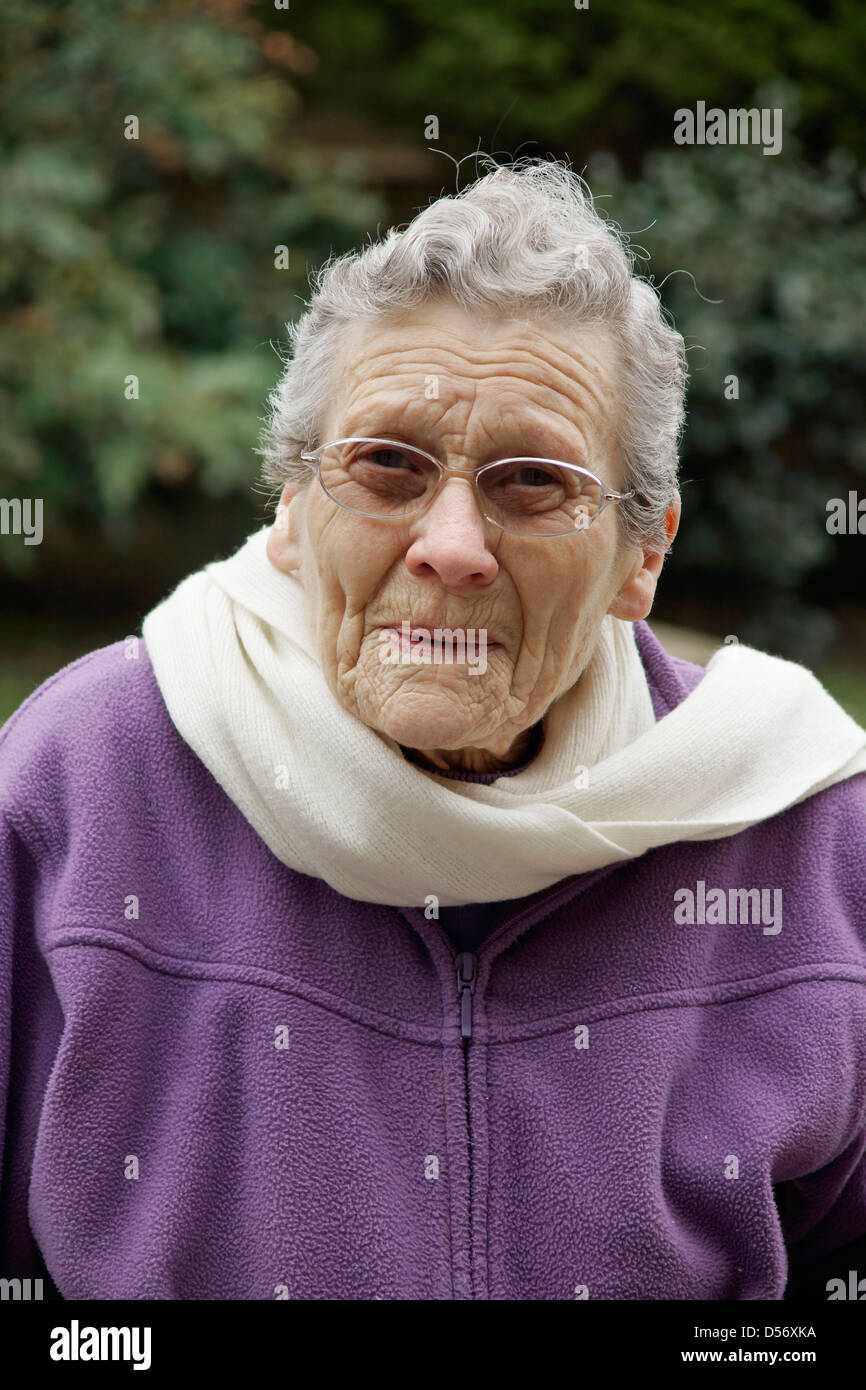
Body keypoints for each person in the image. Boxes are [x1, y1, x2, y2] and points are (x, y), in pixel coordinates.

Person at [2, 160, 865, 1301]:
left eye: (530, 483)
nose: (450, 544)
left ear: (640, 555)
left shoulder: (805, 836)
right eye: (386, 465)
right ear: (292, 508)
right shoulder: (76, 783)